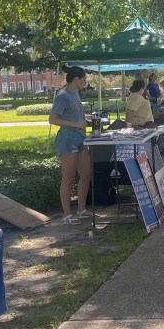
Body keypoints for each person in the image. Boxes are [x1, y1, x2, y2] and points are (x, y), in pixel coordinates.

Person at [49, 67, 93, 224]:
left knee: (86, 174)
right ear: (76, 79)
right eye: (84, 80)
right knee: (68, 177)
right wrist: (76, 124)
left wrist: (87, 118)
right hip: (68, 140)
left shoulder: (75, 94)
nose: (85, 83)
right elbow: (52, 119)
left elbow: (73, 114)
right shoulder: (62, 96)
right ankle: (67, 214)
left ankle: (81, 210)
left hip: (81, 138)